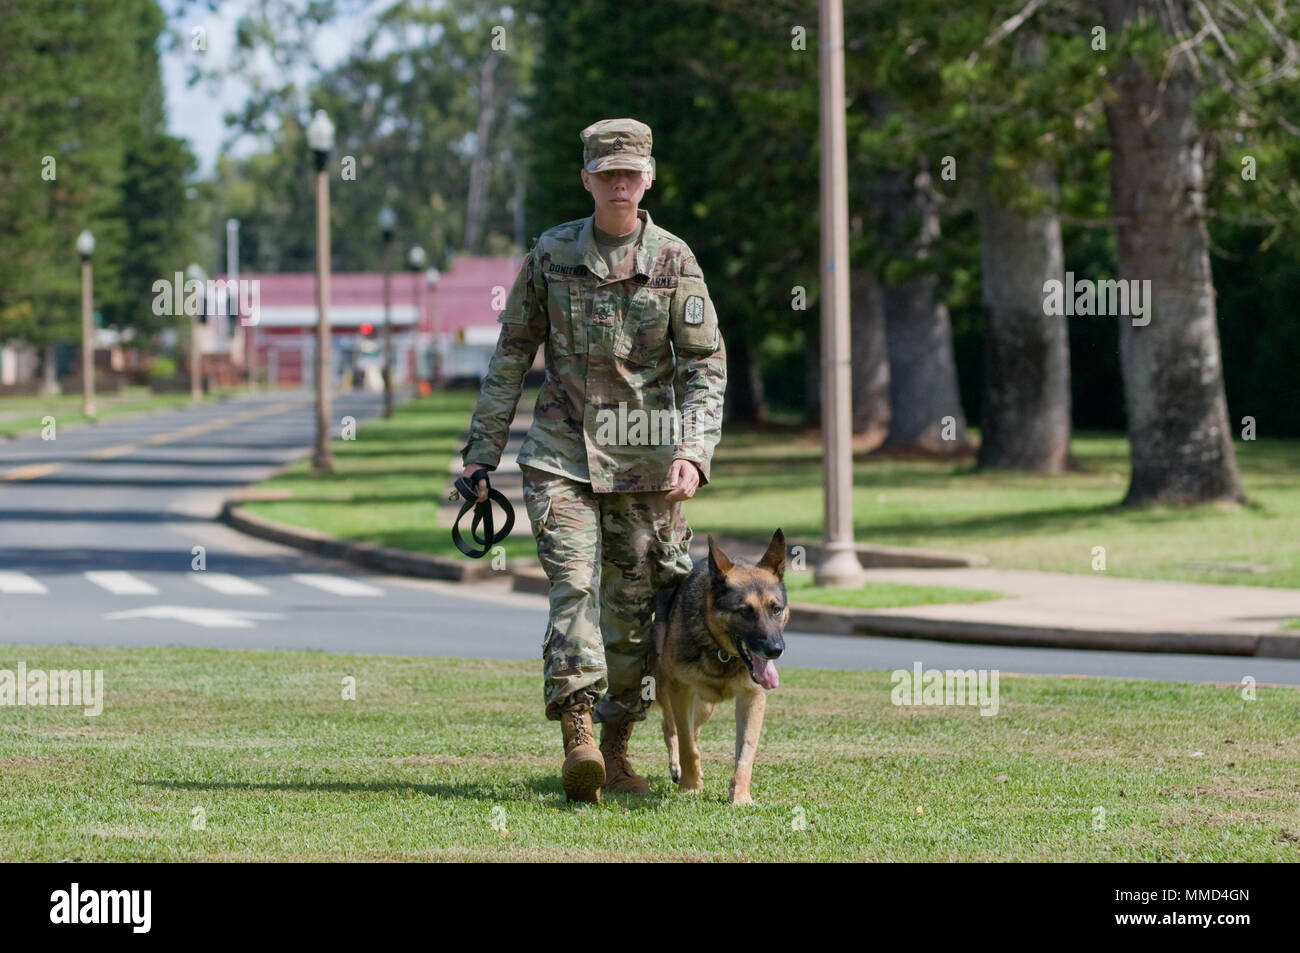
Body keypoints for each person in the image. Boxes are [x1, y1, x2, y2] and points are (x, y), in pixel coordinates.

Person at [459, 117, 727, 803]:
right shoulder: (550, 256)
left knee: (634, 614)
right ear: (587, 180)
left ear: (648, 179)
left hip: (646, 463)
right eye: (606, 173)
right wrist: (482, 454)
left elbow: (705, 366)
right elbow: (511, 355)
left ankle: (616, 748)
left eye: (630, 172)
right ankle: (576, 726)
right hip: (561, 455)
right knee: (573, 587)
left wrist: (694, 453)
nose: (619, 184)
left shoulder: (675, 261)